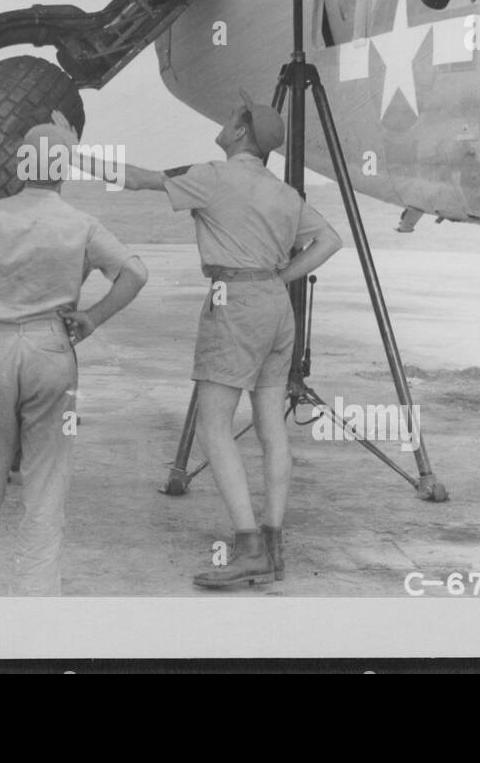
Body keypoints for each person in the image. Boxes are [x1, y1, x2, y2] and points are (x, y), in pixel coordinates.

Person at [117, 91, 342, 588]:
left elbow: (135, 179)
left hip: (233, 303)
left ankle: (248, 549)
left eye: (230, 117)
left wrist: (67, 155)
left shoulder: (213, 177)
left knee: (214, 426)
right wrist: (282, 278)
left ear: (241, 132)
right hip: (275, 306)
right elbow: (330, 240)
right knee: (270, 427)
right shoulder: (284, 193)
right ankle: (274, 545)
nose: (222, 121)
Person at [0, 113, 148, 596]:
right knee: (46, 483)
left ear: (21, 165)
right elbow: (135, 274)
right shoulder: (81, 223)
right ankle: (37, 603)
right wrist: (93, 318)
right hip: (52, 350)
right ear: (63, 169)